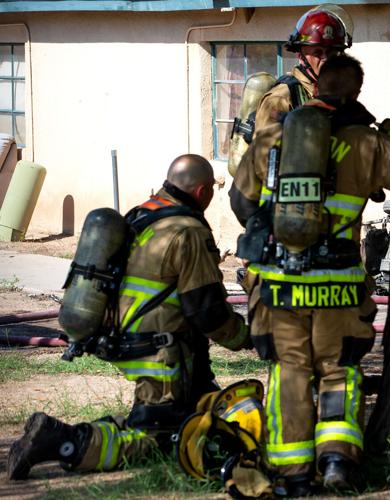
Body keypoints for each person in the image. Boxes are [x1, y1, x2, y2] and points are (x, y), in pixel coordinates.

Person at [228, 54, 390, 496]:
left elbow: (241, 205)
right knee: (339, 371)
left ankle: (293, 474)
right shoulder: (366, 141)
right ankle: (336, 460)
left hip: (280, 285)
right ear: (354, 93)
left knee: (291, 371)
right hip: (338, 284)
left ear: (315, 87)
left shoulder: (271, 139)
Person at [7, 154, 251, 480]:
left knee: (181, 417)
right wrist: (247, 338)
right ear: (203, 191)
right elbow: (207, 310)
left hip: (133, 341)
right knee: (157, 439)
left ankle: (69, 435)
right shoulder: (188, 231)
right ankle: (60, 441)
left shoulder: (145, 214)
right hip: (163, 352)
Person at [254, 5, 351, 132]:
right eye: (317, 53)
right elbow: (265, 148)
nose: (326, 59)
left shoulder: (337, 92)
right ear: (301, 57)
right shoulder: (280, 98)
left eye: (331, 52)